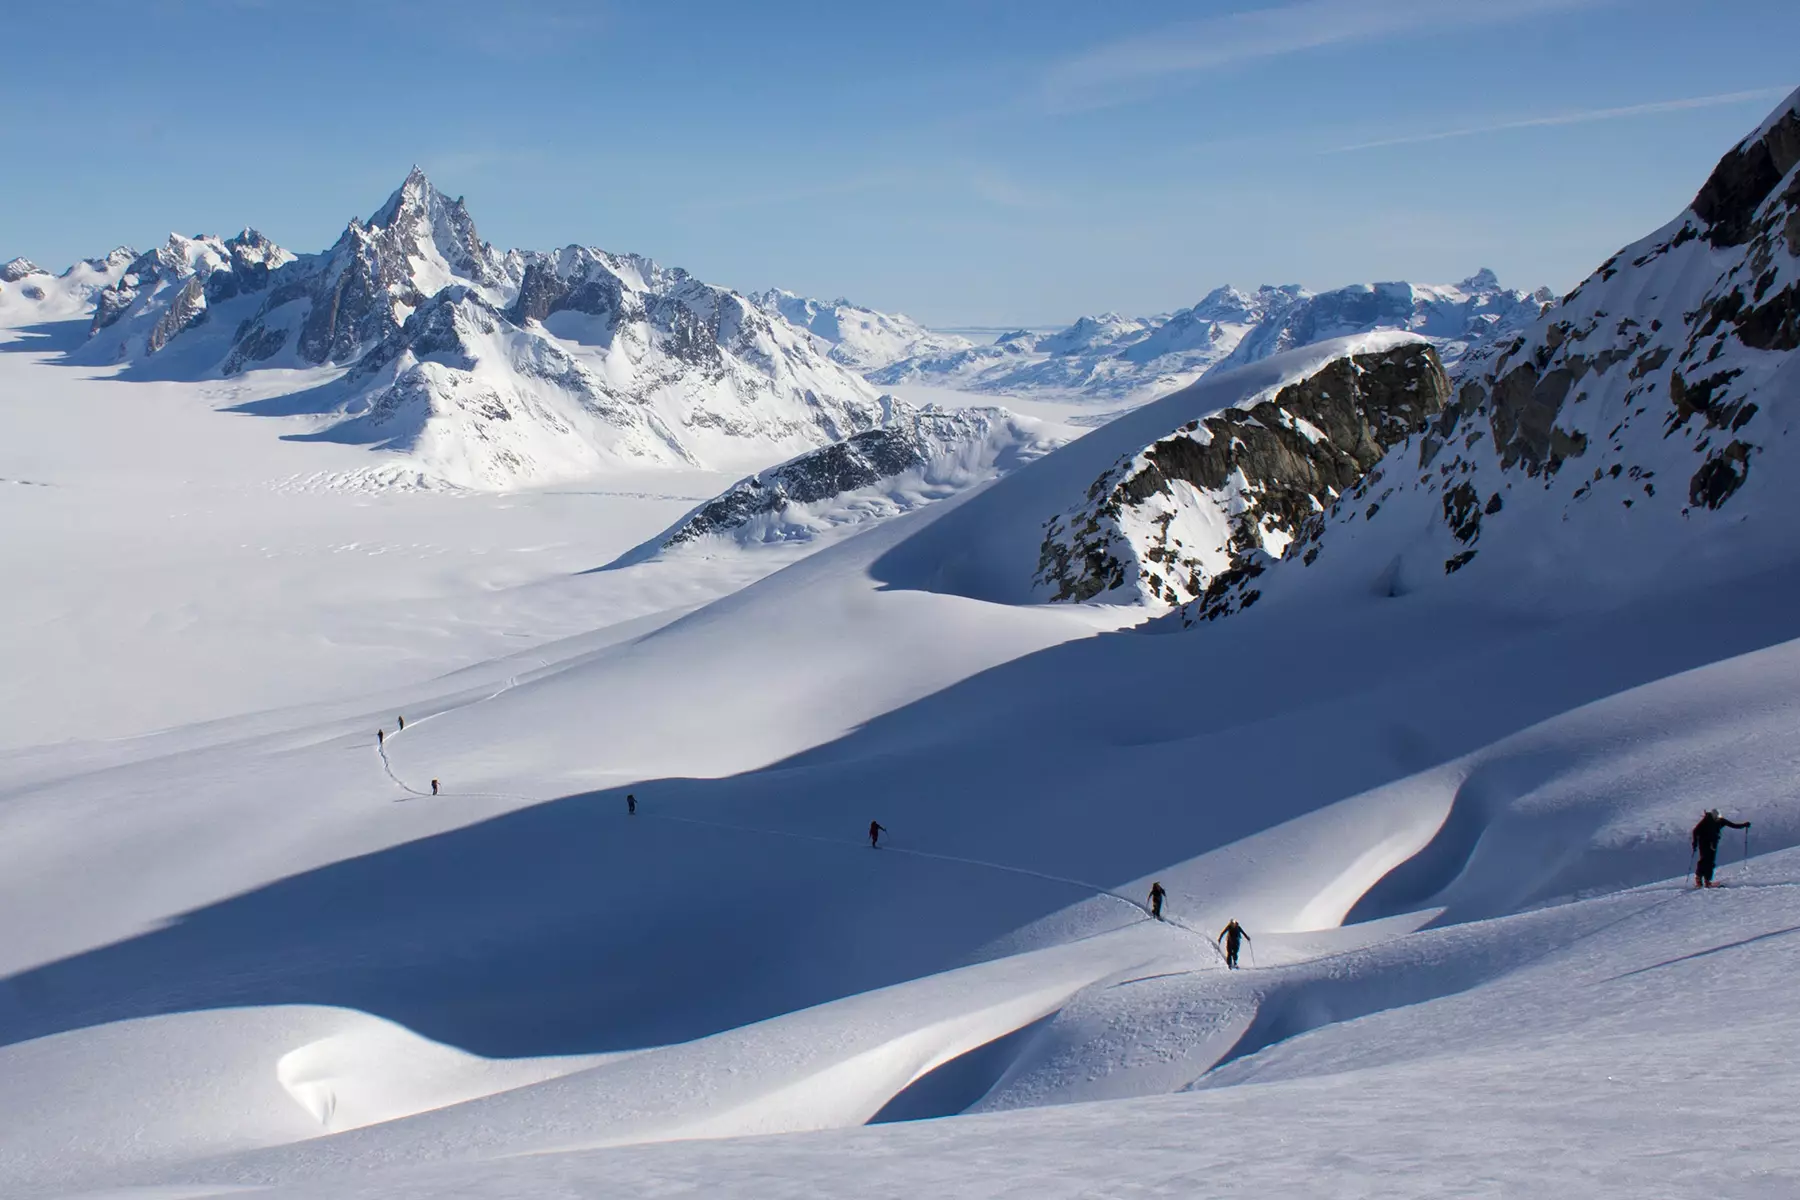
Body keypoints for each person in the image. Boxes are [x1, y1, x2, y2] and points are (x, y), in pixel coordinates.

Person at [1692, 808, 1750, 888]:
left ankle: (1707, 880)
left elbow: (1732, 825)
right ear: (1713, 816)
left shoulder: (1720, 820)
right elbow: (1695, 831)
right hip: (1704, 843)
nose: (1717, 820)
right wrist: (1695, 843)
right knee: (1704, 860)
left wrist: (1744, 825)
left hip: (1713, 844)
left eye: (1718, 818)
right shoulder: (1705, 821)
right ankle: (1699, 879)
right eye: (1716, 818)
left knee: (1711, 862)